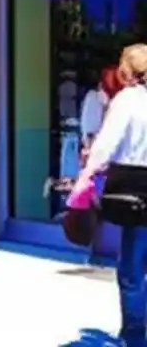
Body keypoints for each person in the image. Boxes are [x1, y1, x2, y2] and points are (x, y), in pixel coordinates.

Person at [74, 44, 147, 347]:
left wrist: (87, 172)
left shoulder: (127, 100)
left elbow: (107, 144)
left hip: (136, 184)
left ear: (127, 71)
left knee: (132, 266)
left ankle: (134, 337)